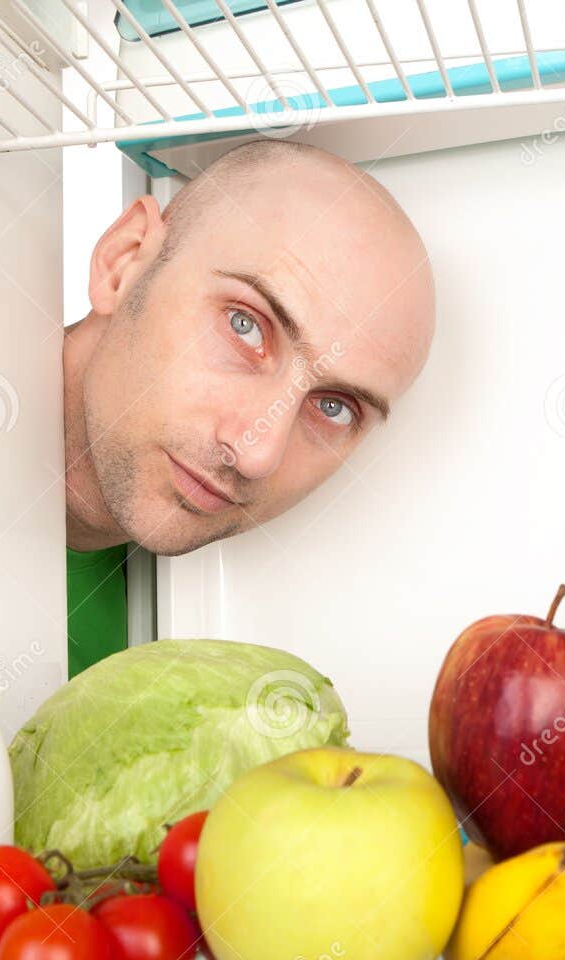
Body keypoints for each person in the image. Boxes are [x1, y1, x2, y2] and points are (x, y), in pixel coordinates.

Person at [60, 140, 436, 674]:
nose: (257, 451)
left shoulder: (154, 650)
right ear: (123, 262)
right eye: (246, 326)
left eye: (332, 406)